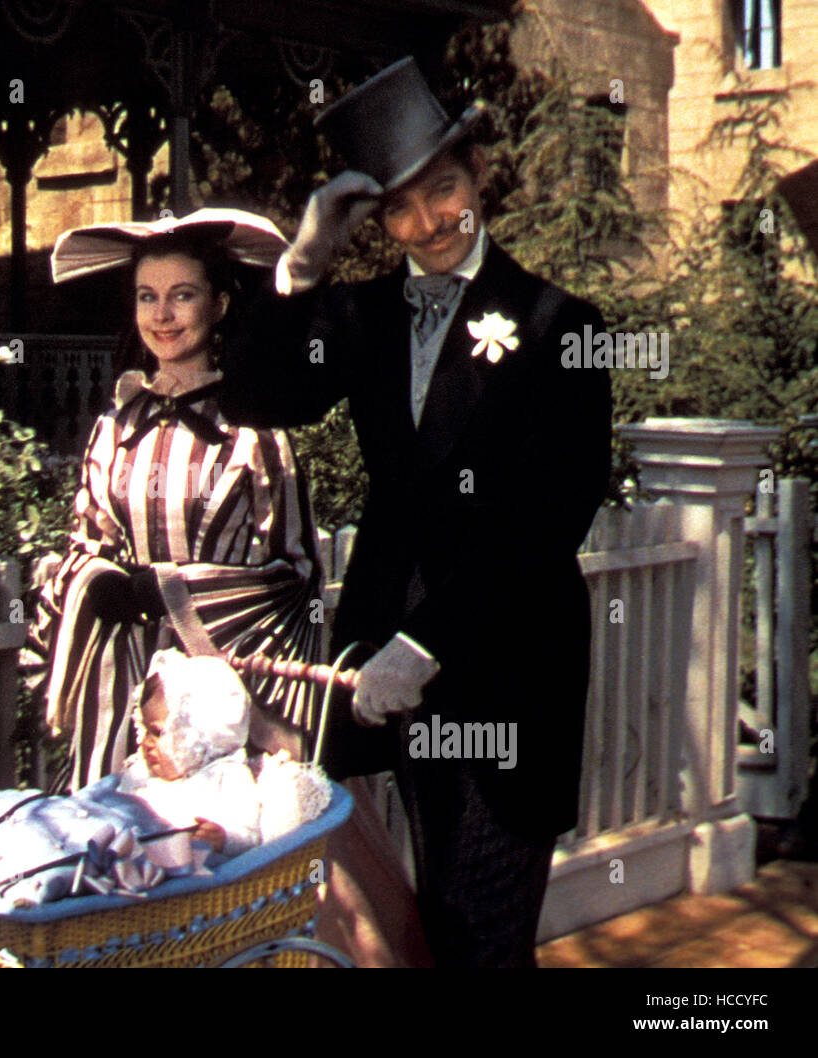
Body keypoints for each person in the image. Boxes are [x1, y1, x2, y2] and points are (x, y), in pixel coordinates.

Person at [217, 57, 613, 967]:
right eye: (399, 207)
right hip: (381, 687)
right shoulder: (362, 317)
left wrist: (427, 641)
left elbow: (547, 515)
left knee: (478, 937)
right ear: (378, 220)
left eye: (444, 190)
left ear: (478, 176)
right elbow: (258, 396)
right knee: (401, 930)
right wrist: (302, 264)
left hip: (505, 675)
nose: (430, 221)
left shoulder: (565, 325)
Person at [26, 210, 325, 791]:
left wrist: (173, 593)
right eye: (147, 297)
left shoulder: (255, 430)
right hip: (124, 682)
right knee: (122, 843)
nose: (161, 316)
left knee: (213, 851)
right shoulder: (114, 425)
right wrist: (97, 579)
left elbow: (294, 572)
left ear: (219, 306)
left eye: (182, 296)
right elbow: (85, 539)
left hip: (223, 682)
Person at [0, 649, 333, 909]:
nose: (145, 743)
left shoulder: (227, 779)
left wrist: (222, 836)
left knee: (82, 844)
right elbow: (95, 803)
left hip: (149, 855)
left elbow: (249, 837)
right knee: (28, 810)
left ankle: (21, 877)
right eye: (141, 729)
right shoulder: (140, 773)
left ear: (202, 735)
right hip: (102, 818)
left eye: (158, 732)